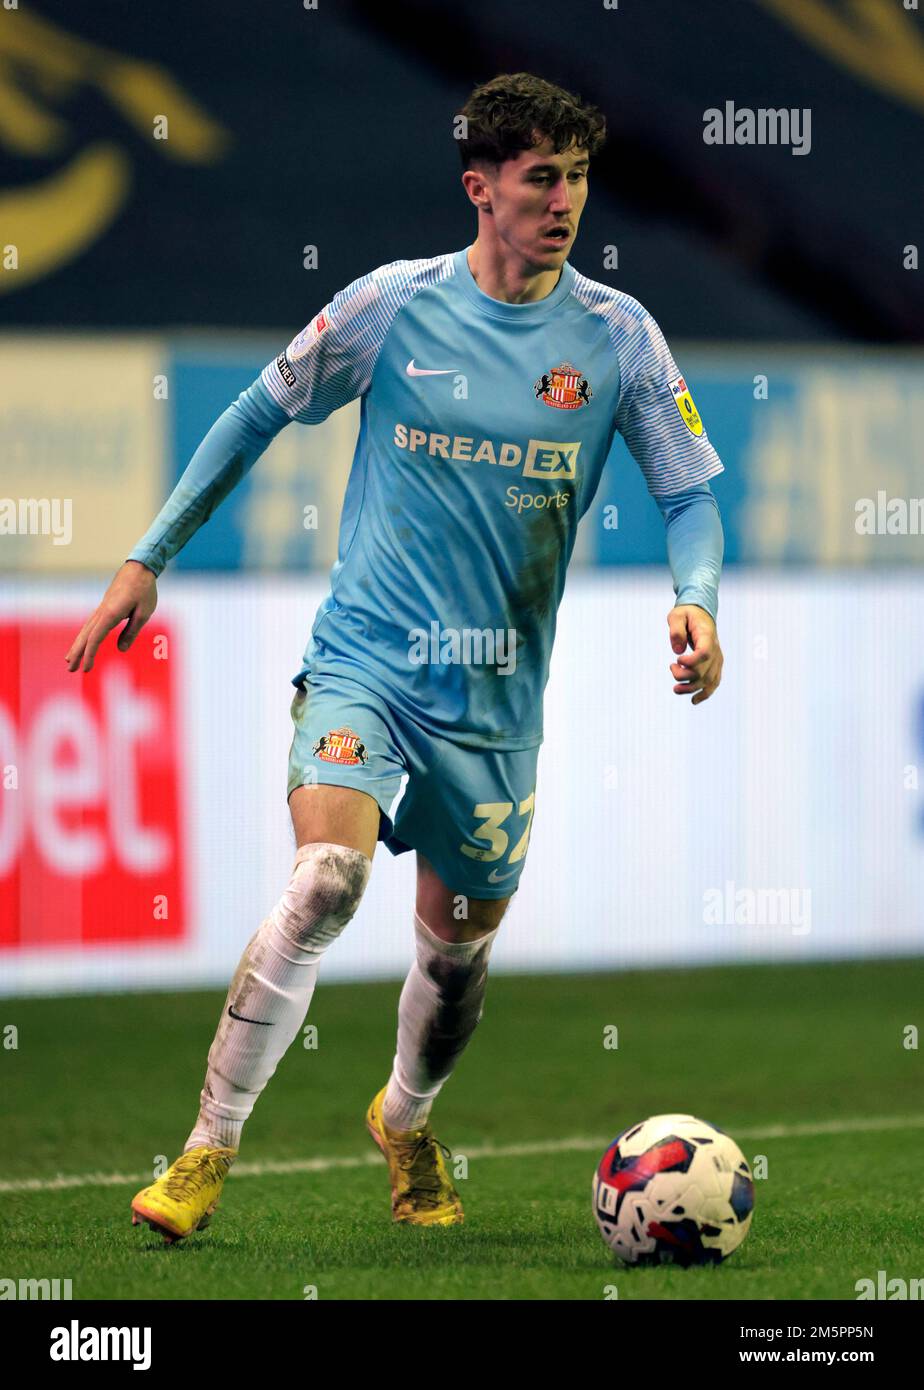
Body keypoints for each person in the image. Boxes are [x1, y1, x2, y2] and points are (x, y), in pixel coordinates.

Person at [65, 71, 724, 1240]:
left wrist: (699, 600)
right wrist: (147, 556)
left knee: (457, 959)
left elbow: (688, 494)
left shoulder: (619, 335)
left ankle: (406, 1118)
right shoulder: (391, 307)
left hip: (496, 707)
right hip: (367, 665)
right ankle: (204, 1151)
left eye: (576, 177)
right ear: (482, 188)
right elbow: (256, 411)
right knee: (327, 880)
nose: (564, 200)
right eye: (540, 178)